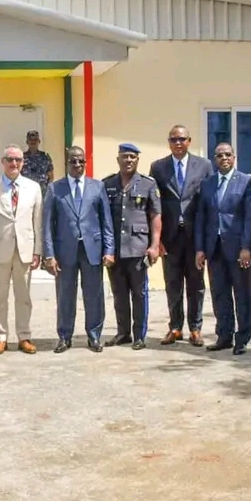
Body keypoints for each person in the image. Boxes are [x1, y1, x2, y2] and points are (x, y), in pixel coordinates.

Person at [43, 146, 116, 352]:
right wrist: (49, 254)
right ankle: (65, 336)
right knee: (65, 294)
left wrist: (109, 250)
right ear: (67, 163)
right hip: (65, 251)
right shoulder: (55, 188)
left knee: (94, 294)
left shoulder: (97, 187)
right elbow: (47, 225)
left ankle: (94, 336)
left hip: (92, 249)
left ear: (86, 162)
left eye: (81, 161)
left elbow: (106, 222)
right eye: (73, 161)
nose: (77, 165)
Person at [148, 125, 213, 347]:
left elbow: (209, 203)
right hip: (170, 238)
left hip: (195, 237)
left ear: (189, 141)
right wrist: (157, 240)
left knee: (196, 284)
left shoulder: (204, 166)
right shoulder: (158, 167)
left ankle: (195, 328)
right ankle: (175, 327)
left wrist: (205, 240)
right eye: (173, 139)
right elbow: (153, 205)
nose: (178, 143)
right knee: (172, 284)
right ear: (169, 142)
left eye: (182, 139)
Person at [0, 144, 44, 355]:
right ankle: (0, 337)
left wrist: (37, 251)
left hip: (24, 250)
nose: (14, 163)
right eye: (10, 159)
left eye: (18, 160)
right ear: (2, 162)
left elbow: (38, 223)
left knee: (23, 296)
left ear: (23, 163)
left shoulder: (33, 188)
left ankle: (24, 335)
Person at [195, 143, 251, 354]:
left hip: (238, 248)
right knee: (220, 294)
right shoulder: (208, 184)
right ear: (214, 159)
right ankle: (224, 336)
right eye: (220, 155)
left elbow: (250, 218)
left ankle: (242, 338)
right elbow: (201, 218)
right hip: (214, 248)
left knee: (243, 294)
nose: (224, 158)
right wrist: (200, 248)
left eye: (228, 155)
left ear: (234, 157)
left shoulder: (246, 182)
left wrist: (247, 247)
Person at [101, 143, 161, 349]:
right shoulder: (107, 184)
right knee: (118, 293)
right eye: (125, 156)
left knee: (139, 293)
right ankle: (122, 332)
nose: (128, 160)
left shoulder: (148, 184)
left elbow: (155, 216)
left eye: (132, 157)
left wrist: (154, 245)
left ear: (137, 160)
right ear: (118, 159)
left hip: (138, 248)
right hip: (115, 250)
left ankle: (139, 335)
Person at [22, 130, 55, 195]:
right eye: (31, 140)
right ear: (27, 142)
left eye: (35, 140)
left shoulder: (45, 157)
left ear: (39, 141)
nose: (33, 142)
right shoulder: (21, 157)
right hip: (26, 191)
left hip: (42, 191)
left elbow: (51, 176)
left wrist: (47, 190)